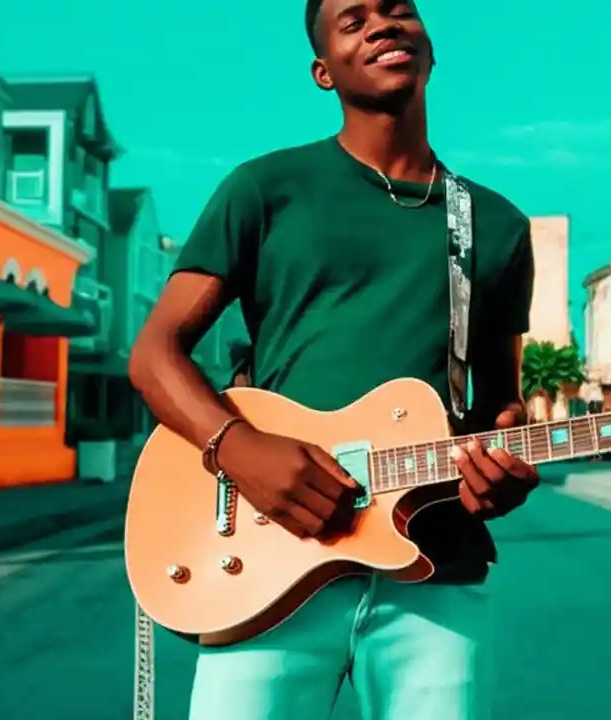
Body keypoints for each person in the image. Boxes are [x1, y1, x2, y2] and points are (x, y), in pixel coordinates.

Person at [128, 1, 538, 718]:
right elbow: (156, 352)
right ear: (323, 71)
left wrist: (499, 472)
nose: (382, 25)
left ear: (429, 47)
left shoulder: (495, 225)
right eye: (354, 20)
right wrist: (237, 446)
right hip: (269, 558)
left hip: (434, 569)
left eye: (398, 12)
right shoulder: (265, 189)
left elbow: (499, 405)